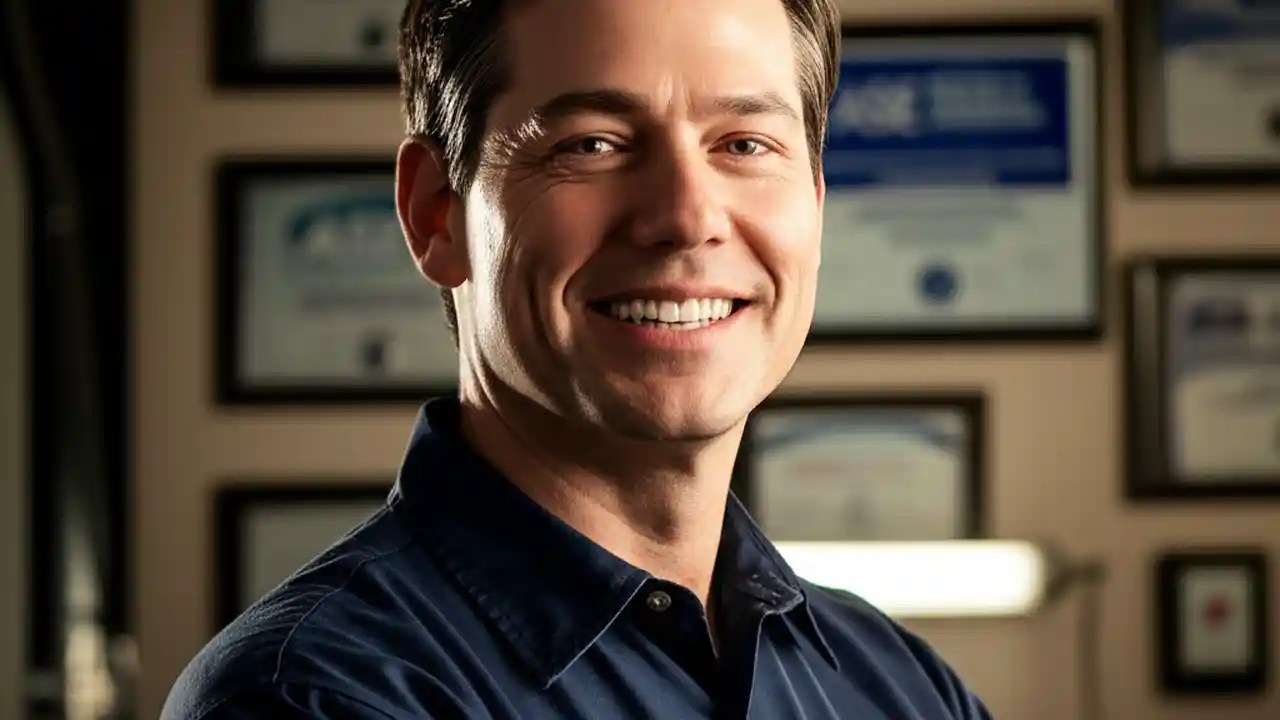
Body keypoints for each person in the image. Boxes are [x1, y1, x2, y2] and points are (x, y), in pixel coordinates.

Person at [163, 0, 993, 717]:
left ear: (814, 203)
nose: (685, 216)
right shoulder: (316, 697)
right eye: (593, 144)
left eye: (744, 144)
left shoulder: (905, 689)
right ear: (435, 215)